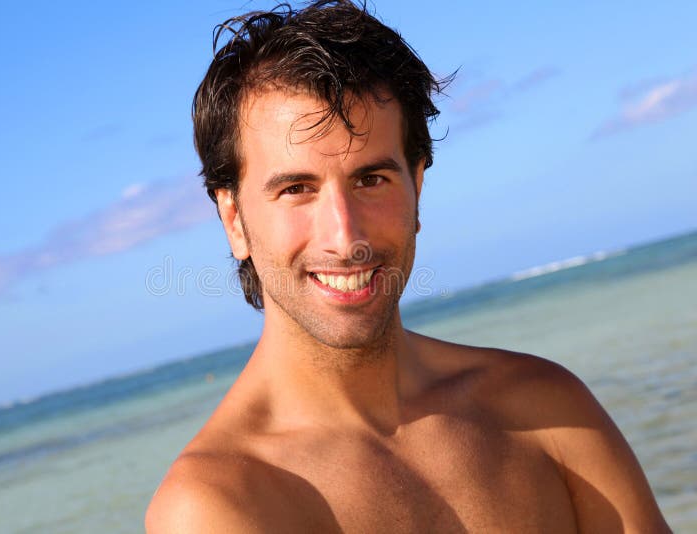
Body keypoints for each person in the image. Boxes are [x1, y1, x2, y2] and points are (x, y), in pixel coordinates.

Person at [146, 1, 670, 532]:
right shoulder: (221, 505)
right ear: (233, 218)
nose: (345, 236)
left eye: (371, 180)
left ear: (417, 186)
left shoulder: (544, 408)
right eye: (296, 189)